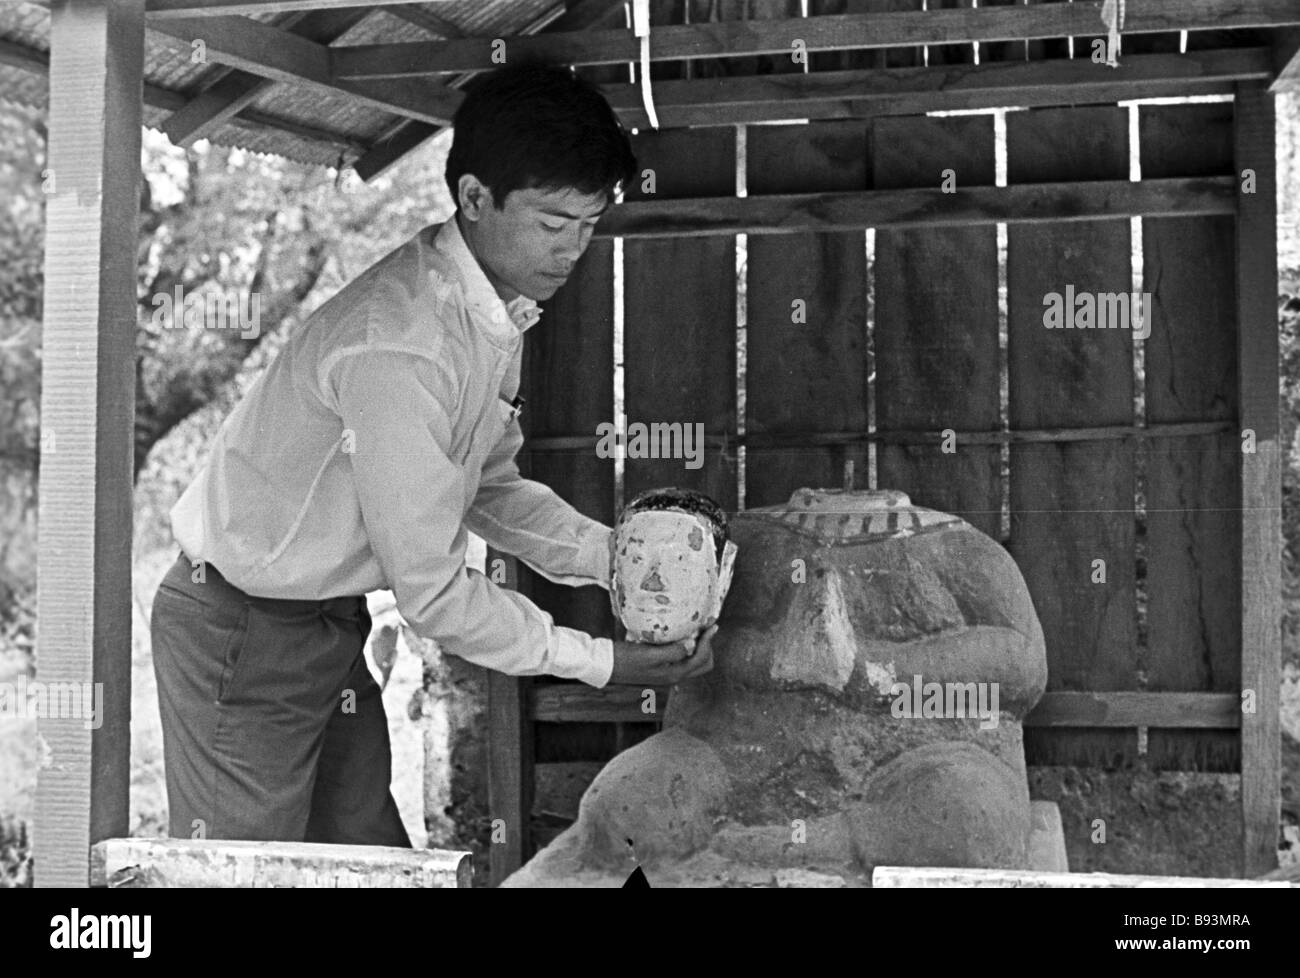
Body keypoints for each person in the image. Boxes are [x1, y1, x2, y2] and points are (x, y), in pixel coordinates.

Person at [150, 62, 716, 848]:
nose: (573, 250)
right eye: (553, 224)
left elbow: (488, 486)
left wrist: (621, 562)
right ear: (475, 198)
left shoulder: (488, 312)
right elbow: (434, 593)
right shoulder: (400, 346)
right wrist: (600, 662)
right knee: (244, 867)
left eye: (588, 225)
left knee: (367, 857)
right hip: (240, 632)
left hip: (323, 622)